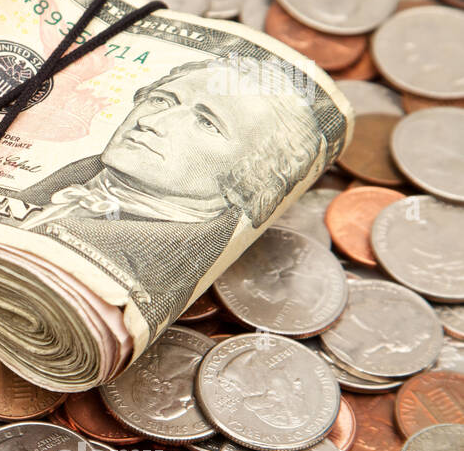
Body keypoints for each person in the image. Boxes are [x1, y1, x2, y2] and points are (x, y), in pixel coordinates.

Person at [22, 56, 329, 330]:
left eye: (207, 123)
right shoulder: (63, 181)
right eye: (162, 101)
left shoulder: (159, 269)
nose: (150, 122)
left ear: (252, 174)